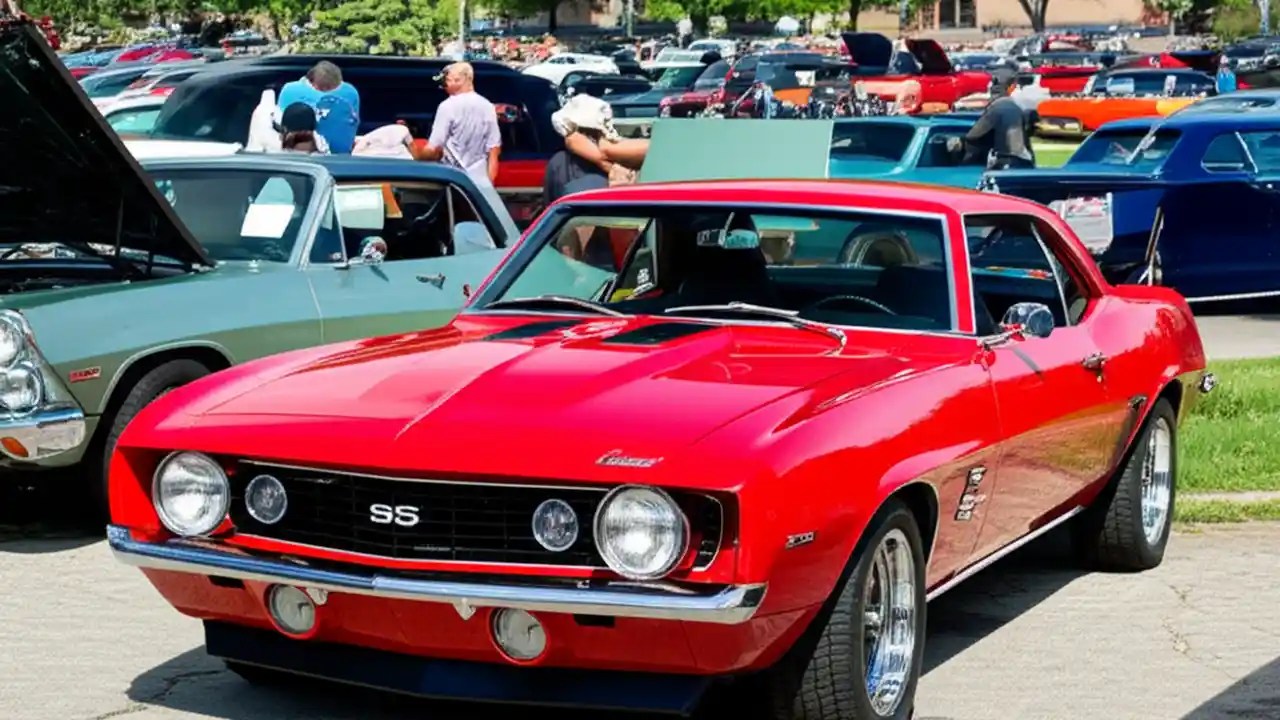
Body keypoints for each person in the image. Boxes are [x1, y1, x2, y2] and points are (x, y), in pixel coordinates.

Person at [419, 62, 502, 187]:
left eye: (447, 80)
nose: (443, 85)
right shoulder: (487, 106)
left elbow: (434, 147)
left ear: (460, 80)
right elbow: (494, 149)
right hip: (479, 180)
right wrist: (489, 185)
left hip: (452, 179)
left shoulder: (447, 106)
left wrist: (416, 155)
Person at [949, 71, 1034, 170]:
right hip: (1024, 161)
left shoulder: (998, 106)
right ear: (1011, 87)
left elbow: (973, 136)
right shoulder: (1015, 107)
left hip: (1007, 161)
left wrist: (959, 144)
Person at [278, 60, 361, 154]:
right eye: (324, 87)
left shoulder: (350, 92)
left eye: (331, 87)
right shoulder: (290, 91)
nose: (326, 90)